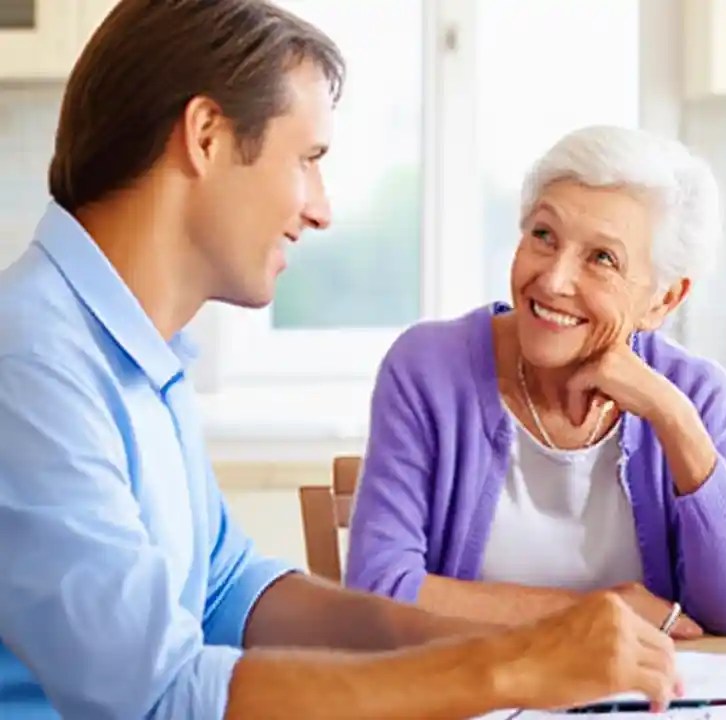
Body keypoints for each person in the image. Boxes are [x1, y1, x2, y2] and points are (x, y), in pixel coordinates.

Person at [0, 2, 680, 717]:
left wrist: (508, 643)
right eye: (309, 160)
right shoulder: (32, 364)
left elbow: (231, 590)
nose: (322, 209)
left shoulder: (130, 353)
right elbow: (159, 698)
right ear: (205, 136)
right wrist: (506, 667)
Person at [345, 125, 726, 638]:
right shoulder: (430, 369)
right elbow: (378, 592)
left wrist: (674, 418)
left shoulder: (698, 396)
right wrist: (597, 613)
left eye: (602, 258)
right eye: (543, 236)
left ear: (663, 300)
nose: (553, 280)